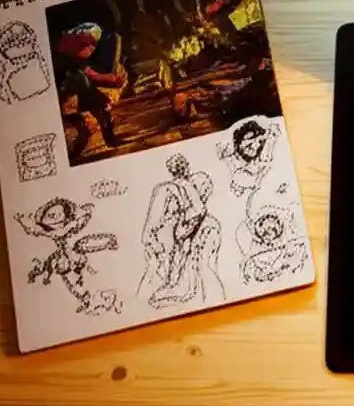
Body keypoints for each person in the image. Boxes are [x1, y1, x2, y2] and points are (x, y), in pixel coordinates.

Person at [139, 154, 224, 308]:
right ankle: (169, 285)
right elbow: (197, 211)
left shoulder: (164, 187)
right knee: (170, 262)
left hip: (165, 233)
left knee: (168, 263)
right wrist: (183, 230)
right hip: (170, 232)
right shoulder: (183, 188)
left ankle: (168, 285)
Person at [17, 197, 120, 315]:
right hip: (66, 259)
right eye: (49, 215)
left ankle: (108, 243)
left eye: (56, 215)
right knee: (66, 269)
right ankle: (86, 299)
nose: (52, 216)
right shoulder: (54, 242)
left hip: (76, 256)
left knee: (80, 249)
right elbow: (35, 229)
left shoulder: (74, 234)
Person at [56, 22, 127, 156]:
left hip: (80, 93)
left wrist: (110, 80)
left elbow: (90, 73)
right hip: (66, 103)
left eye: (94, 44)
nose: (92, 48)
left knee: (102, 110)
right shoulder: (63, 63)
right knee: (82, 128)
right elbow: (83, 79)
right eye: (88, 43)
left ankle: (110, 140)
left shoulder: (77, 60)